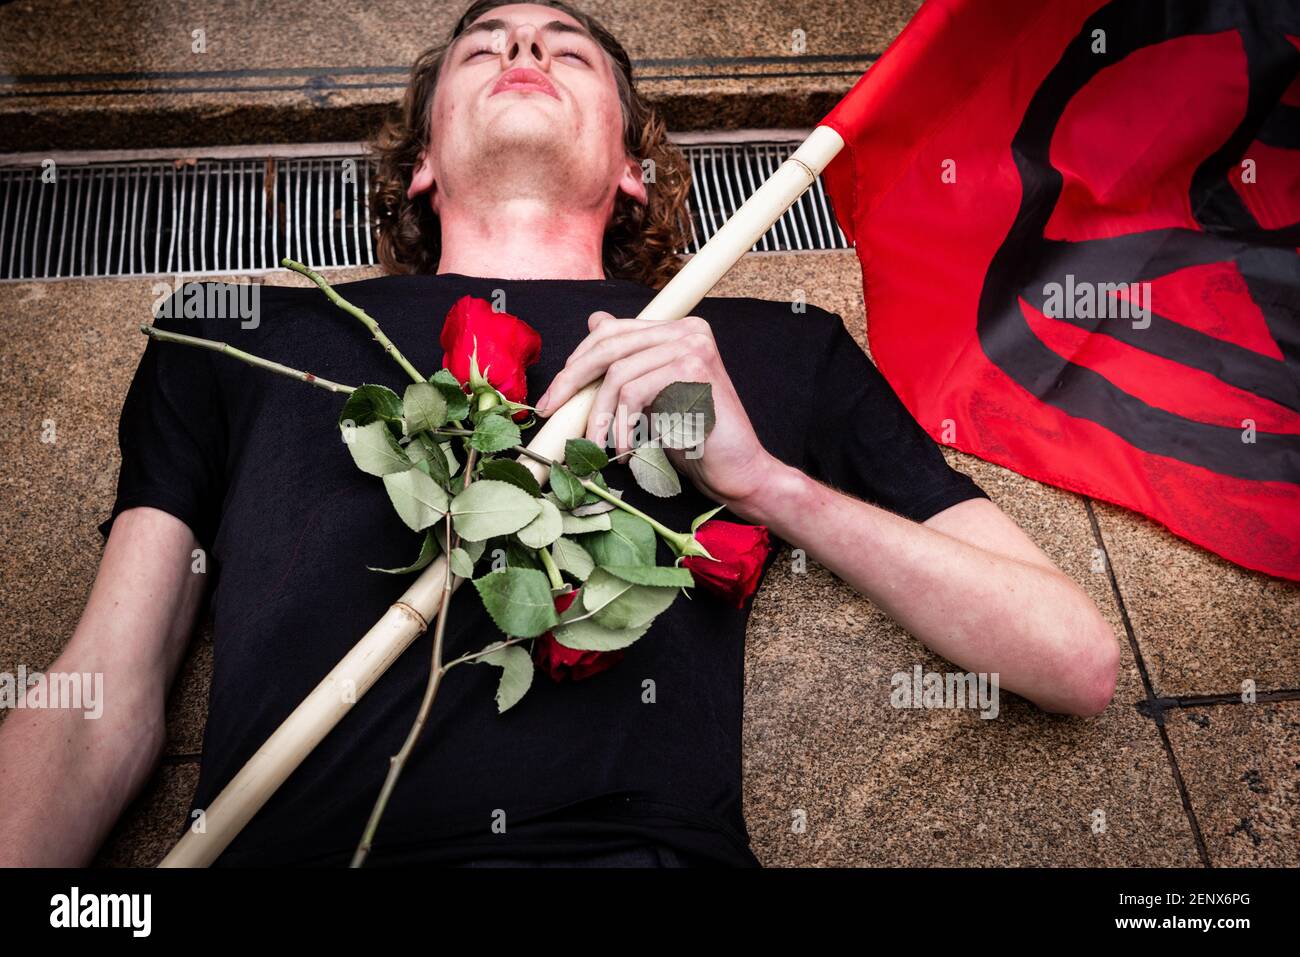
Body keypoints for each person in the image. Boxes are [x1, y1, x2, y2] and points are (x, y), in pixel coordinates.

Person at [0, 0, 1119, 868]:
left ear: (635, 170)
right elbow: (106, 690)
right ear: (421, 164)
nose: (523, 44)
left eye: (567, 49)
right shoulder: (234, 334)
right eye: (481, 44)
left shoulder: (771, 344)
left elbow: (1072, 658)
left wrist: (769, 483)